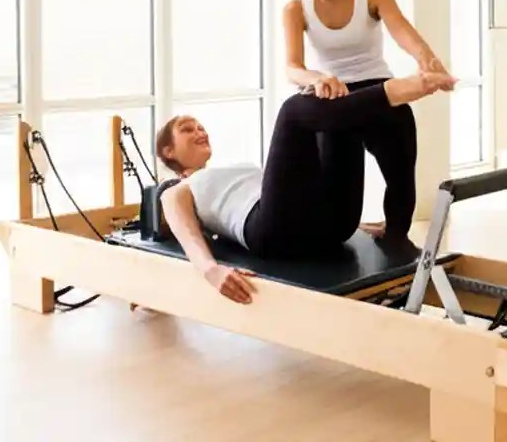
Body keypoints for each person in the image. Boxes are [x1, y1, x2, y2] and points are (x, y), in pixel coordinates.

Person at [154, 72, 456, 304]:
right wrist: (210, 270)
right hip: (273, 232)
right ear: (169, 152)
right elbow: (182, 226)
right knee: (292, 111)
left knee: (336, 115)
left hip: (333, 225)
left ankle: (388, 98)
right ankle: (394, 91)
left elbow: (290, 191)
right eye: (186, 129)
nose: (199, 131)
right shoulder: (180, 187)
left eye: (199, 126)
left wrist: (360, 228)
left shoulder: (229, 170)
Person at [281, 0, 453, 243]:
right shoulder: (295, 9)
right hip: (335, 100)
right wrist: (317, 77)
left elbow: (402, 29)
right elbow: (291, 67)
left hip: (379, 92)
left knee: (401, 179)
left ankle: (396, 238)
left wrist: (427, 60)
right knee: (338, 195)